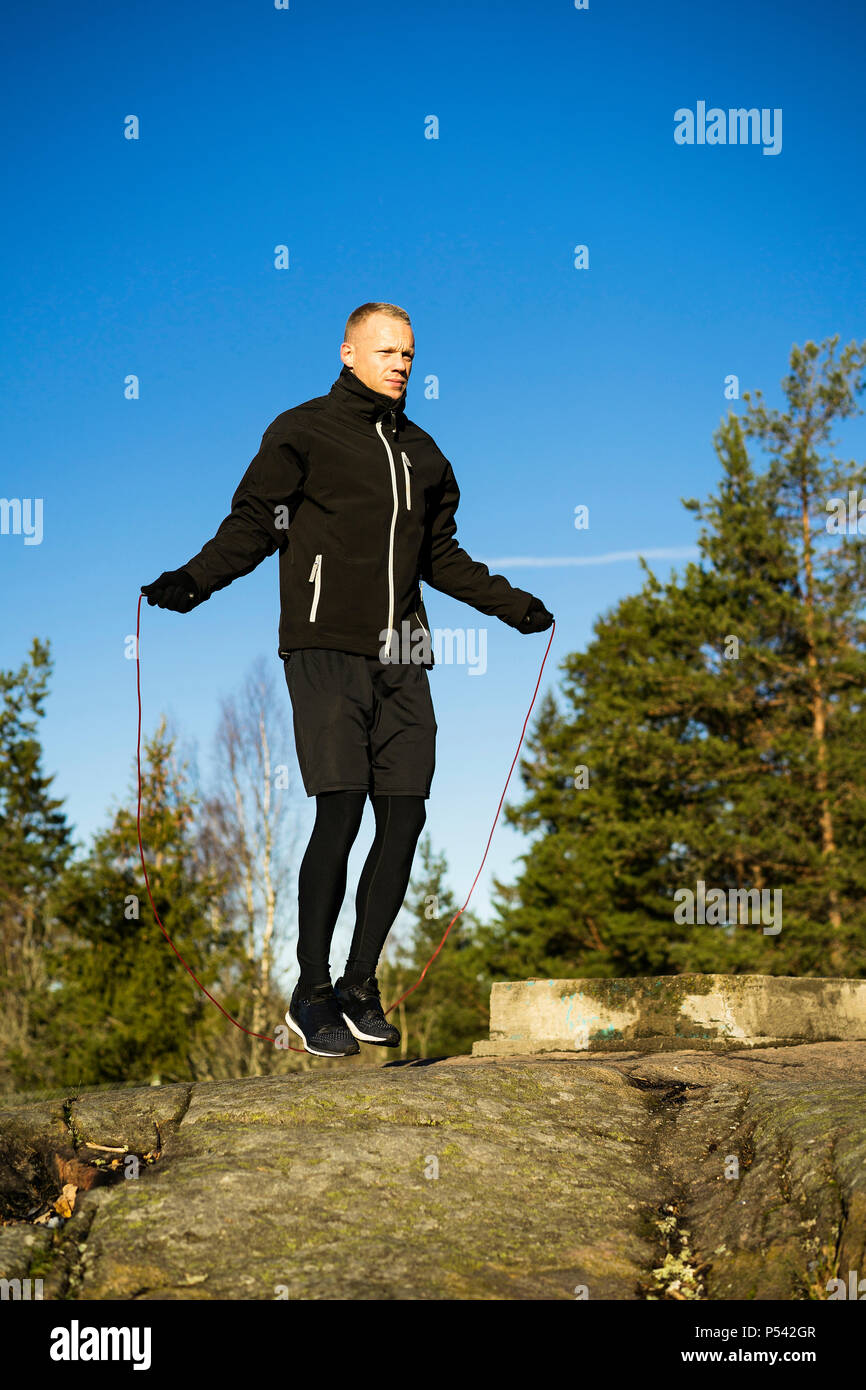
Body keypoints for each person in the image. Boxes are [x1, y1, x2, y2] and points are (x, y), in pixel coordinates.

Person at [142, 302, 553, 1059]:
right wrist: (193, 581)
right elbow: (254, 525)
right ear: (348, 352)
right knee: (343, 807)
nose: (401, 363)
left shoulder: (425, 455)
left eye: (410, 353)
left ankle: (361, 984)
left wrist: (511, 605)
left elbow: (443, 558)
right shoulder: (303, 431)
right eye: (387, 350)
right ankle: (312, 990)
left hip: (404, 652)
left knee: (406, 815)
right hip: (325, 645)